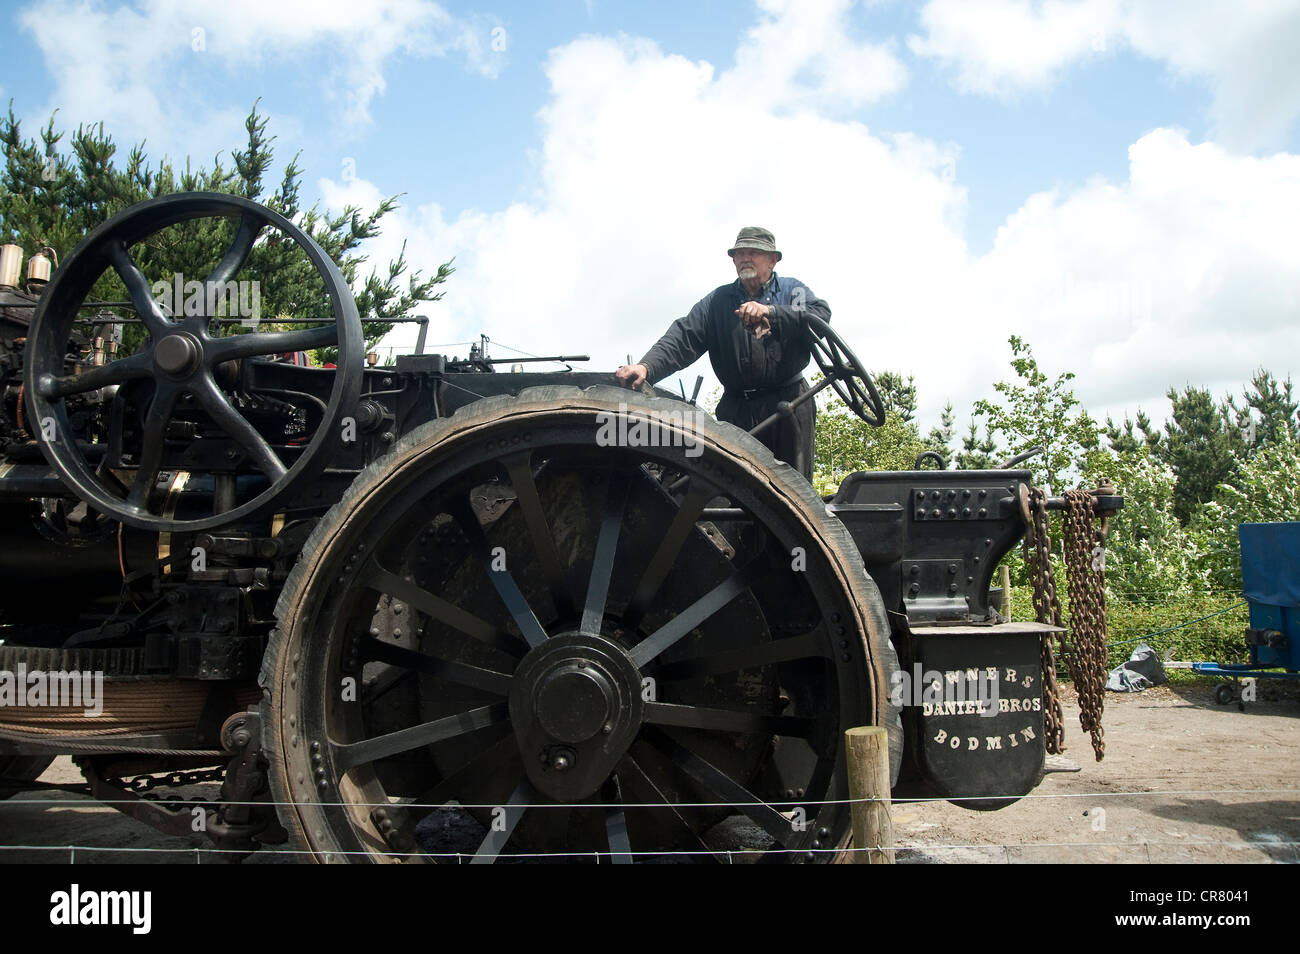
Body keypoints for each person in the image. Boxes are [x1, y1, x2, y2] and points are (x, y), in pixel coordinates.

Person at [614, 226, 828, 478]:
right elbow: (683, 337)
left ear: (773, 260)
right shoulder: (717, 301)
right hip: (736, 410)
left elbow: (819, 317)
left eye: (753, 253)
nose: (745, 258)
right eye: (739, 254)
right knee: (735, 489)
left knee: (796, 491)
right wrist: (646, 368)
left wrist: (771, 313)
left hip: (790, 404)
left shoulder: (794, 291)